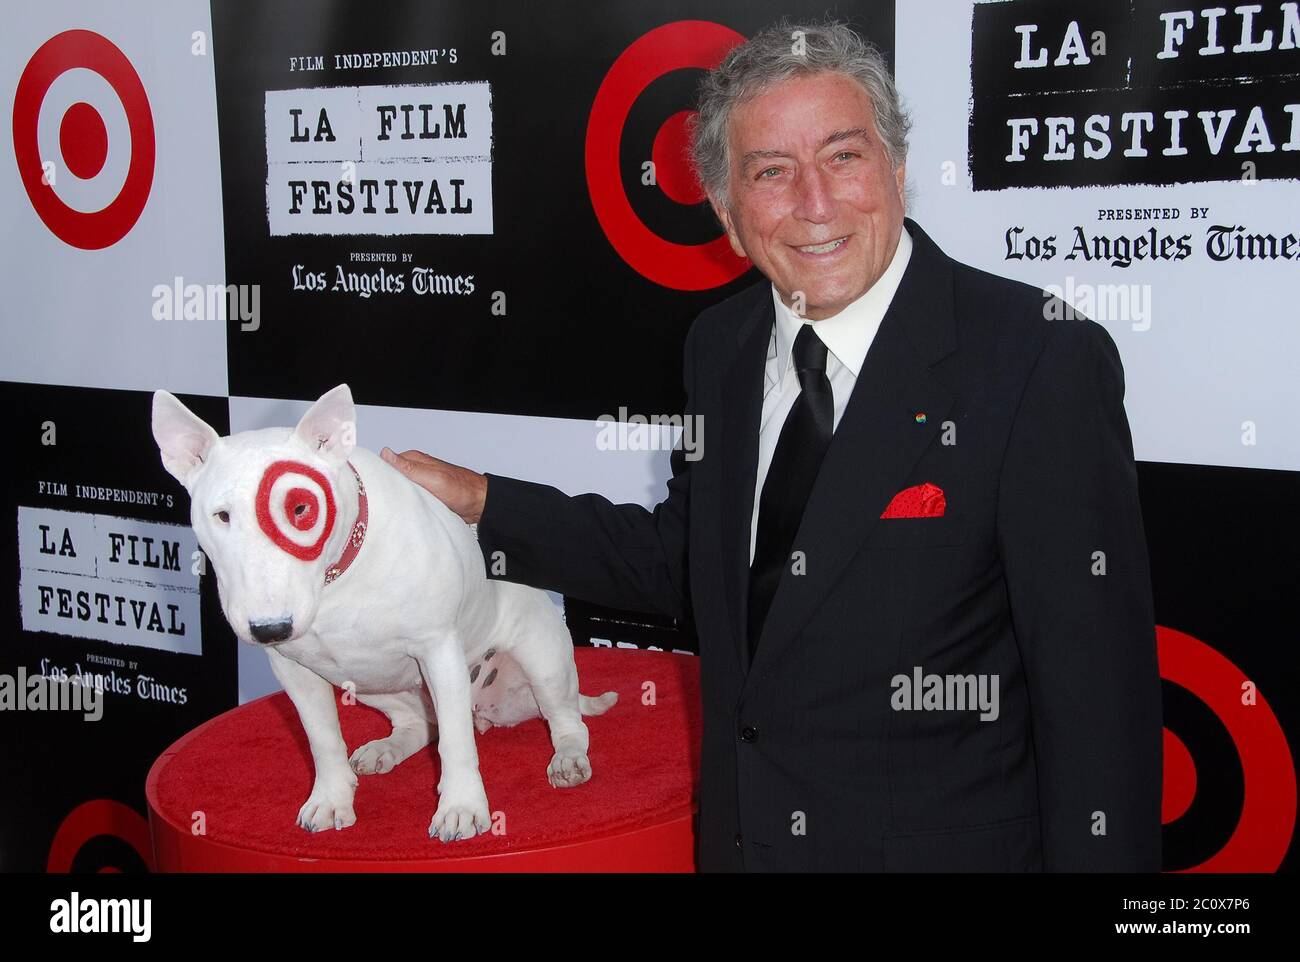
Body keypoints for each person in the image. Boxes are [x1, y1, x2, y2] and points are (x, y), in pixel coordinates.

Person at [381, 20, 1163, 872]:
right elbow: (690, 561)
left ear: (898, 169)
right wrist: (484, 502)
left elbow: (1100, 709)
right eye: (771, 172)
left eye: (844, 156)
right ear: (725, 209)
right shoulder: (720, 346)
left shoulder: (1037, 358)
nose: (815, 203)